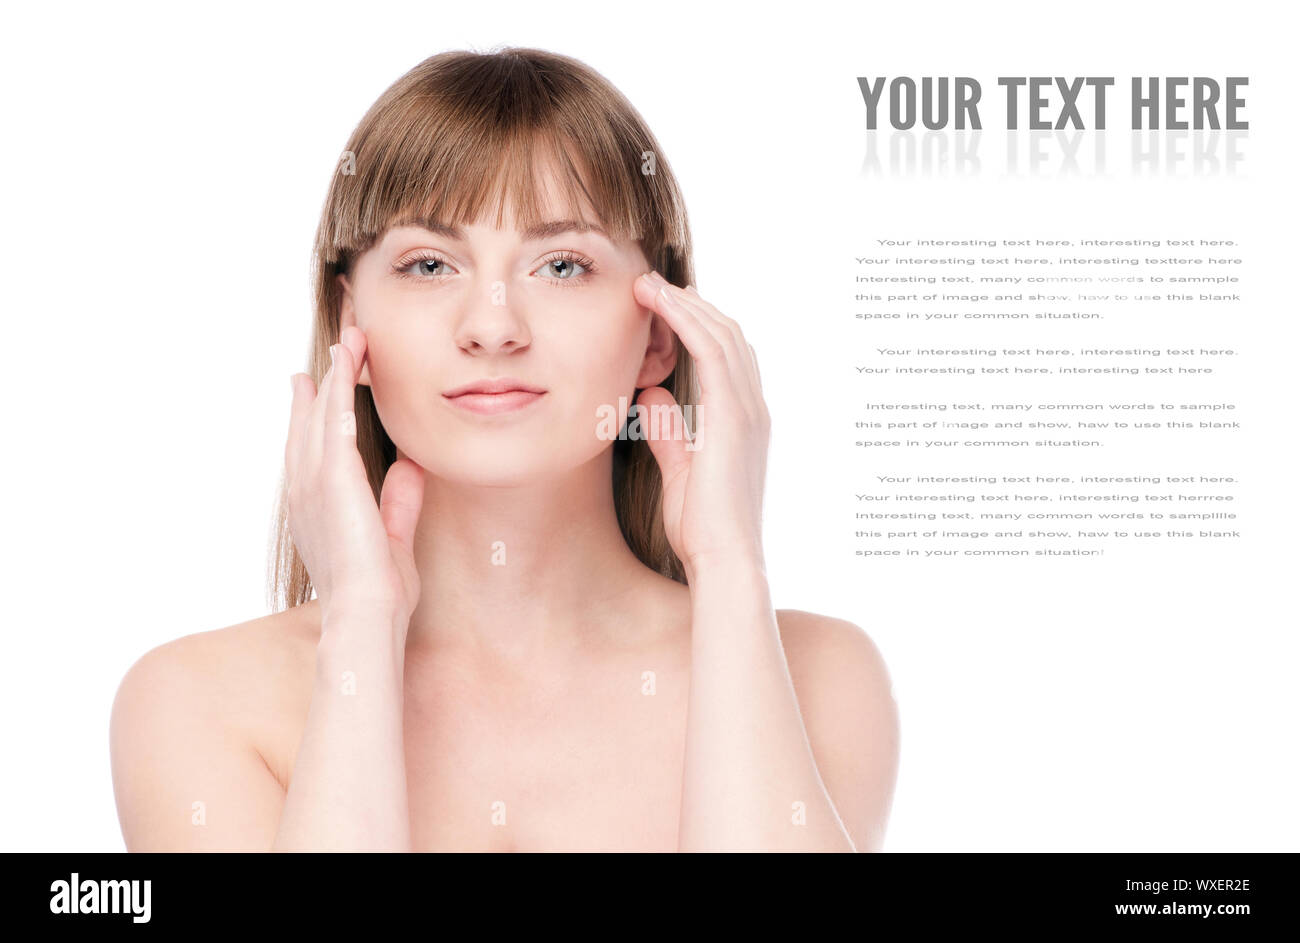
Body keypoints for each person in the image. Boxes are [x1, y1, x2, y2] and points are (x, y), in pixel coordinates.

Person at [110, 46, 899, 852]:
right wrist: (361, 621)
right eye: (428, 264)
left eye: (562, 264)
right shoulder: (193, 703)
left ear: (660, 331)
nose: (492, 325)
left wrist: (730, 568)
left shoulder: (820, 678)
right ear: (352, 323)